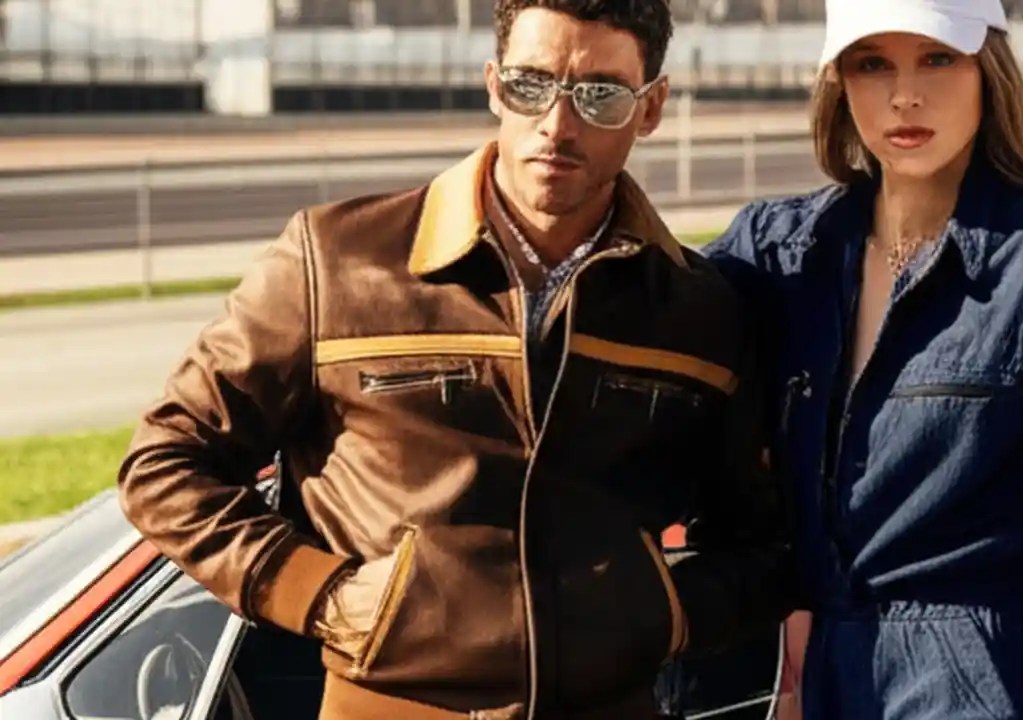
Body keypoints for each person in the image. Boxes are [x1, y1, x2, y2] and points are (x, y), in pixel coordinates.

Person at [116, 1, 791, 718]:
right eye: (531, 85)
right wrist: (319, 594)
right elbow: (164, 463)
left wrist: (667, 615)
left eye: (599, 95)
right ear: (494, 85)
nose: (557, 124)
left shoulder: (698, 308)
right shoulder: (338, 262)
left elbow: (766, 543)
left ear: (650, 108)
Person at [705, 1, 1023, 719]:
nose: (905, 95)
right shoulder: (779, 254)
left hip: (979, 682)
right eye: (873, 63)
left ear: (988, 70)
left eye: (938, 57)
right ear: (838, 83)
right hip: (824, 675)